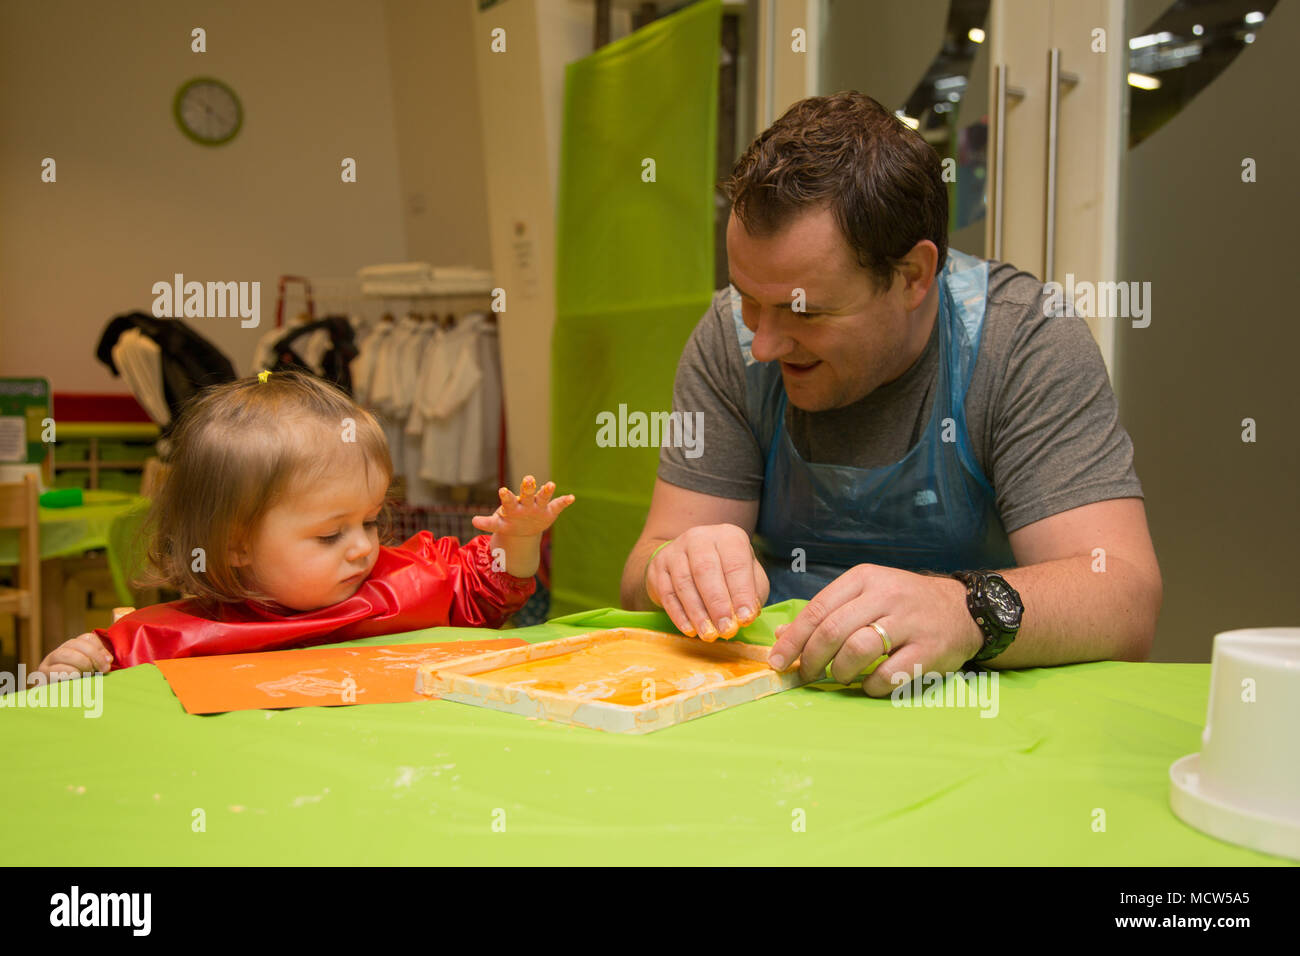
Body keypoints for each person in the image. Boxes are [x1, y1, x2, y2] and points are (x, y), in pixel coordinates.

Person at [621, 92, 1162, 696]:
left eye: (806, 312)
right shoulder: (729, 338)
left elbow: (1123, 594)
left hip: (973, 709)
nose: (765, 344)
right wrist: (674, 568)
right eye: (749, 297)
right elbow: (643, 567)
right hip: (774, 703)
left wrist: (962, 609)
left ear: (913, 277)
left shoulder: (1022, 341)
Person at [37, 370, 573, 677]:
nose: (363, 548)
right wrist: (76, 661)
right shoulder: (183, 632)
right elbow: (109, 658)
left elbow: (492, 590)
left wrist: (517, 538)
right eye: (329, 534)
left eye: (369, 520)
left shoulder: (403, 580)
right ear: (236, 545)